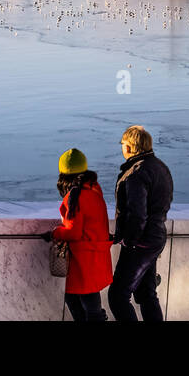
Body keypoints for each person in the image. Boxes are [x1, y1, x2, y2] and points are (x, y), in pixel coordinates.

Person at [108, 125, 173, 322]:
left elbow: (138, 213)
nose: (122, 148)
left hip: (141, 242)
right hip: (155, 237)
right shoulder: (161, 167)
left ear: (129, 147)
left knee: (118, 296)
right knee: (146, 295)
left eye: (124, 145)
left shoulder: (137, 173)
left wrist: (129, 240)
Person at [43, 148, 113, 322]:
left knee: (81, 303)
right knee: (91, 305)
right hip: (97, 255)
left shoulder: (75, 196)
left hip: (82, 261)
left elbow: (73, 232)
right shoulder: (95, 190)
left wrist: (54, 233)